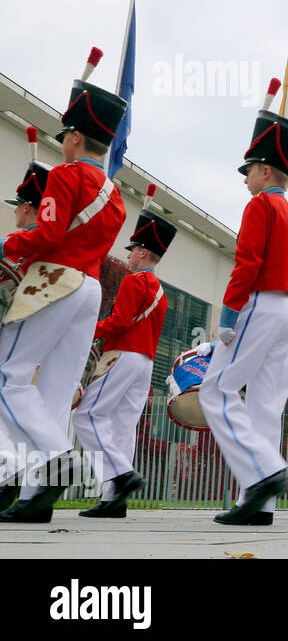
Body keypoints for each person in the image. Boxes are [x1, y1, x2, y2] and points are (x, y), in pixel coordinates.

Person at [0, 70, 127, 523]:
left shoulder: (66, 175)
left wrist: (7, 246)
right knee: (53, 394)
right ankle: (36, 498)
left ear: (74, 137)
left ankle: (54, 459)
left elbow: (49, 233)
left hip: (55, 280)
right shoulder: (115, 194)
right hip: (89, 290)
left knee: (8, 377)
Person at [197, 105, 288, 525]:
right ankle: (260, 505)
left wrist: (228, 313)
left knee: (215, 391)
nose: (245, 178)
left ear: (265, 171)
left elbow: (246, 262)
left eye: (249, 170)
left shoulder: (261, 205)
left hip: (259, 304)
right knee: (266, 407)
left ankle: (263, 470)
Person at [73, 205, 175, 518]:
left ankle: (121, 473)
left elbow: (119, 321)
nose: (128, 256)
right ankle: (114, 500)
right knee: (122, 427)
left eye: (133, 251)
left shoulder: (134, 282)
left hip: (122, 354)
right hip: (145, 362)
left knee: (87, 416)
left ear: (143, 253)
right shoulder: (160, 290)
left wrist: (88, 329)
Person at [0, 151, 51, 513]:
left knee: (8, 395)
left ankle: (12, 473)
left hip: (15, 327)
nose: (14, 211)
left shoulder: (21, 245)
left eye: (19, 205)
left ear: (29, 208)